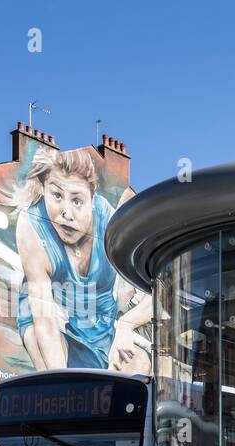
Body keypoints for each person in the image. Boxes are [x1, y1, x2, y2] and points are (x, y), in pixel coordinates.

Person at [15, 145, 153, 372]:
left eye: (77, 200)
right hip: (48, 320)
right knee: (37, 341)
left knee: (140, 365)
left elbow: (156, 295)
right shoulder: (31, 224)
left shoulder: (111, 225)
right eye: (57, 195)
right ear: (44, 189)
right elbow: (44, 319)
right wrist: (62, 382)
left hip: (101, 326)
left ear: (92, 197)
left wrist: (126, 325)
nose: (66, 212)